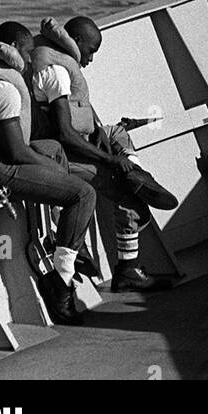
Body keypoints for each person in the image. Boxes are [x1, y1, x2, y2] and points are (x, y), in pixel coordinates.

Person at [0, 21, 97, 326]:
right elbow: (17, 152)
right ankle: (61, 283)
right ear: (13, 49)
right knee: (83, 193)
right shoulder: (3, 88)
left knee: (53, 148)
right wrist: (57, 171)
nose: (30, 60)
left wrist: (53, 162)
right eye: (28, 53)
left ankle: (62, 238)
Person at [31, 15, 178, 294]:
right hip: (62, 155)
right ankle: (128, 271)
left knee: (116, 132)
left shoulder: (54, 58)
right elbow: (64, 133)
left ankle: (136, 173)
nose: (91, 59)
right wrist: (110, 160)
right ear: (76, 41)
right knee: (127, 195)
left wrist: (98, 132)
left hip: (74, 144)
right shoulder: (56, 71)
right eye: (90, 51)